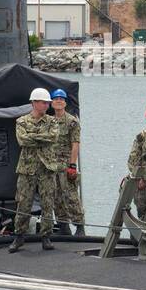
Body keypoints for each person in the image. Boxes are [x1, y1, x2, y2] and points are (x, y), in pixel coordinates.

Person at [10, 88, 60, 253]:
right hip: (27, 168)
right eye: (43, 102)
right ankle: (19, 236)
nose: (46, 105)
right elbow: (22, 140)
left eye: (47, 103)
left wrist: (33, 136)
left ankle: (46, 236)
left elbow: (53, 138)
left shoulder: (52, 121)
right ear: (34, 102)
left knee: (48, 203)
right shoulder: (21, 121)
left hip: (47, 168)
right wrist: (41, 137)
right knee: (24, 203)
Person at [50, 88, 84, 236]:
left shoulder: (72, 121)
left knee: (71, 195)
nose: (58, 101)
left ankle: (80, 226)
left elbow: (75, 144)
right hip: (52, 165)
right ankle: (63, 226)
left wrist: (72, 165)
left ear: (65, 103)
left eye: (61, 99)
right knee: (56, 196)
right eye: (56, 98)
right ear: (51, 103)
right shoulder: (49, 121)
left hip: (66, 164)